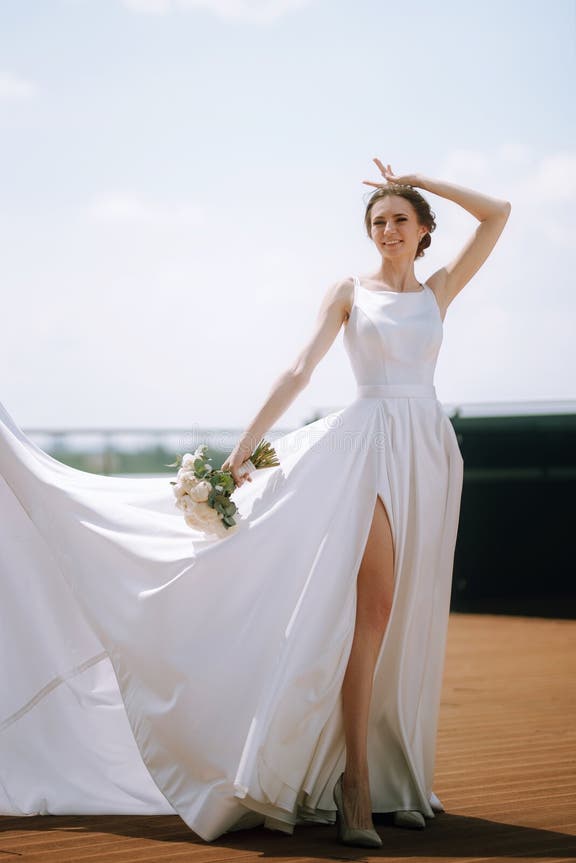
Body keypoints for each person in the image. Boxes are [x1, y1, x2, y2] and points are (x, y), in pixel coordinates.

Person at [0, 158, 511, 848]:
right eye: (377, 221)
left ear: (423, 230)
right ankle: (354, 782)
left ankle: (400, 779)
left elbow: (499, 212)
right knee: (377, 606)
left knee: (407, 614)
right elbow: (300, 368)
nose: (386, 229)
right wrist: (244, 448)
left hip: (429, 449)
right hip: (369, 449)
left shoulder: (439, 289)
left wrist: (423, 176)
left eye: (399, 219)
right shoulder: (349, 291)